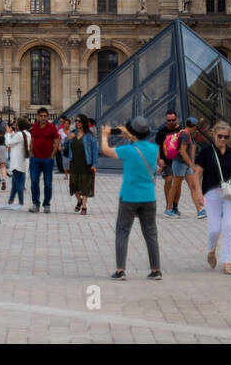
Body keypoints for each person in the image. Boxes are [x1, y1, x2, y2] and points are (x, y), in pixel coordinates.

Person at [101, 117, 162, 280]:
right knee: (151, 233)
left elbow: (106, 150)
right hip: (149, 196)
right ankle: (156, 270)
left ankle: (120, 270)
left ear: (133, 133)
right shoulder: (154, 149)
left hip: (129, 196)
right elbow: (141, 144)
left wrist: (105, 135)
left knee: (122, 232)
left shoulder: (127, 151)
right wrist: (130, 134)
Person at [196, 120, 231, 274]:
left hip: (230, 193)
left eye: (225, 136)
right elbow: (197, 174)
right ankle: (211, 250)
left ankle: (227, 262)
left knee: (229, 226)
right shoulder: (205, 152)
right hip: (212, 192)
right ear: (213, 135)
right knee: (215, 229)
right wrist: (197, 192)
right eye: (220, 136)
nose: (222, 139)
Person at [27, 109, 60, 213]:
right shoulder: (34, 127)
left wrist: (52, 155)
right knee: (34, 182)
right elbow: (32, 141)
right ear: (37, 116)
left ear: (48, 117)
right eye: (41, 116)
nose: (43, 118)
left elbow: (56, 142)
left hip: (47, 159)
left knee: (48, 183)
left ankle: (46, 204)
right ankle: (35, 204)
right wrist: (31, 153)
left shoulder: (52, 127)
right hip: (35, 159)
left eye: (45, 116)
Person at [65, 116, 98, 214]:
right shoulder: (72, 134)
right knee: (73, 185)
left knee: (85, 185)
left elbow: (95, 151)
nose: (77, 122)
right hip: (74, 163)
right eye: (76, 120)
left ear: (84, 123)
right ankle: (79, 200)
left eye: (79, 121)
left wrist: (94, 164)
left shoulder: (89, 136)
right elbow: (64, 147)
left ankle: (84, 206)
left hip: (86, 164)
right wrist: (67, 139)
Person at [154, 109, 181, 210]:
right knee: (169, 180)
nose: (171, 122)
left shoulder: (182, 131)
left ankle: (175, 206)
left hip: (179, 161)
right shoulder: (162, 132)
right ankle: (168, 205)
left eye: (173, 120)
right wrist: (159, 160)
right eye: (169, 120)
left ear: (176, 119)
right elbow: (158, 147)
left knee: (177, 184)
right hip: (167, 161)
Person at [3, 118, 29, 210]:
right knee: (15, 183)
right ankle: (10, 202)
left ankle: (21, 203)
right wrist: (11, 133)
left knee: (18, 184)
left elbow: (8, 143)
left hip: (17, 162)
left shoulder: (19, 134)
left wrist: (7, 134)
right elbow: (17, 138)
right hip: (23, 162)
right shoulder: (27, 134)